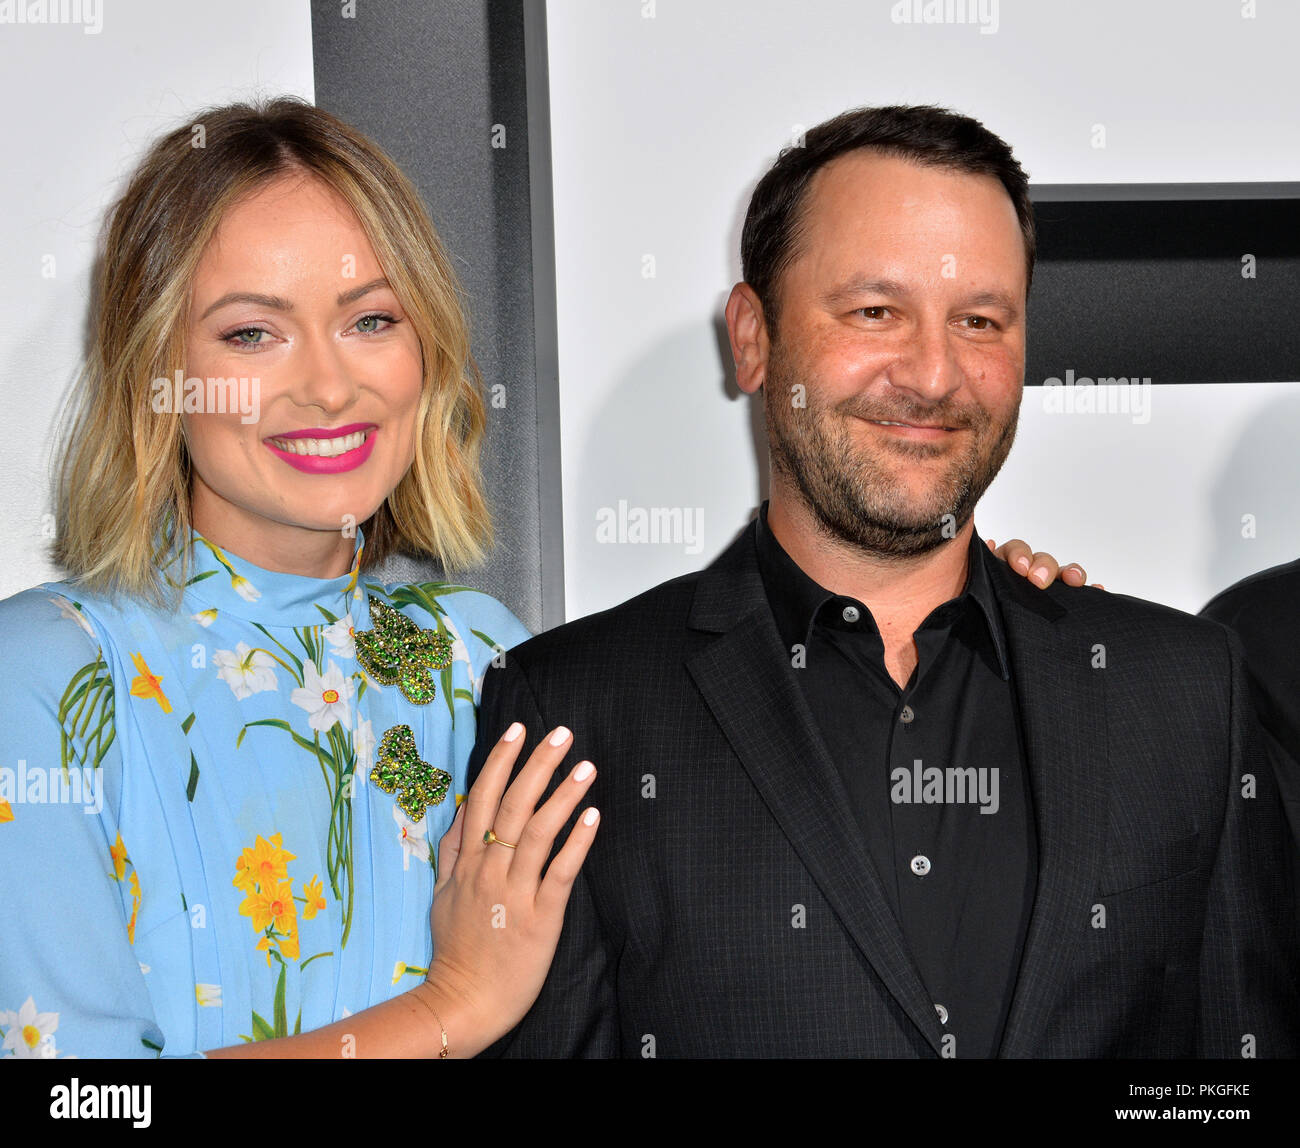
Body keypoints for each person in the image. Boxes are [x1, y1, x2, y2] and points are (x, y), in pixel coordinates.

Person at [469, 104, 1300, 1058]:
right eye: (875, 312)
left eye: (980, 321)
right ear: (753, 339)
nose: (936, 375)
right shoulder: (577, 710)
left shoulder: (1186, 692)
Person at [0, 97, 601, 1060]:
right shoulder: (47, 673)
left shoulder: (475, 654)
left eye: (370, 319)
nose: (328, 386)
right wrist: (449, 1007)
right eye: (252, 335)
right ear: (157, 369)